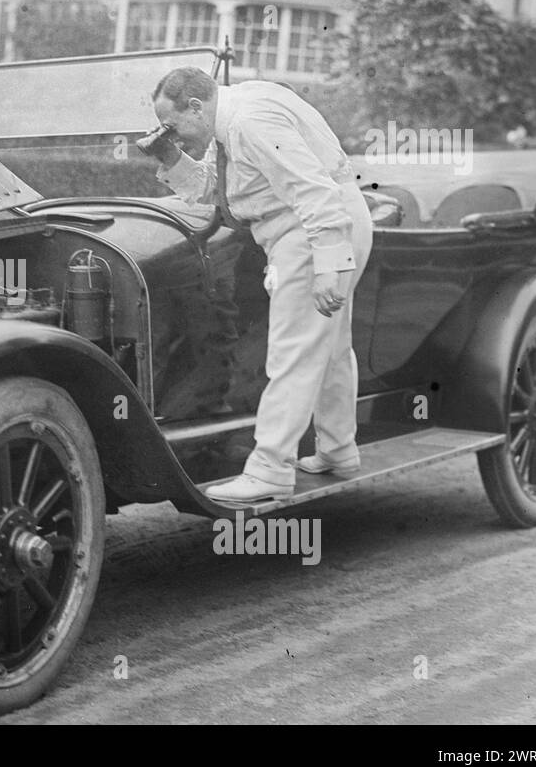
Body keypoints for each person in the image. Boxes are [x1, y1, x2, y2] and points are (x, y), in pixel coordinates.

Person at [139, 67, 374, 504]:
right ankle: (338, 449)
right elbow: (220, 191)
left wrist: (328, 262)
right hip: (322, 226)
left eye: (172, 125)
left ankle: (270, 469)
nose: (170, 132)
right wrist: (171, 155)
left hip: (309, 229)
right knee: (331, 348)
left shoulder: (251, 120)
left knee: (292, 353)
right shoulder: (232, 119)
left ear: (196, 106)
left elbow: (314, 189)